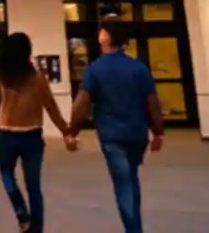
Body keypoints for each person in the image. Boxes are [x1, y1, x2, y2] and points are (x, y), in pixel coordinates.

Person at [65, 17, 164, 233]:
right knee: (131, 177)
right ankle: (135, 222)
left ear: (105, 36)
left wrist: (72, 131)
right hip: (137, 134)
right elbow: (152, 102)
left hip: (112, 136)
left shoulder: (95, 69)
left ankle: (133, 229)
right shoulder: (138, 68)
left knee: (123, 183)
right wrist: (158, 132)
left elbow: (81, 104)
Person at [0, 32, 70, 233]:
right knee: (34, 187)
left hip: (7, 136)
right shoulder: (37, 78)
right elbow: (51, 106)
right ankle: (36, 229)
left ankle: (21, 213)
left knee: (6, 175)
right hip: (32, 137)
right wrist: (66, 131)